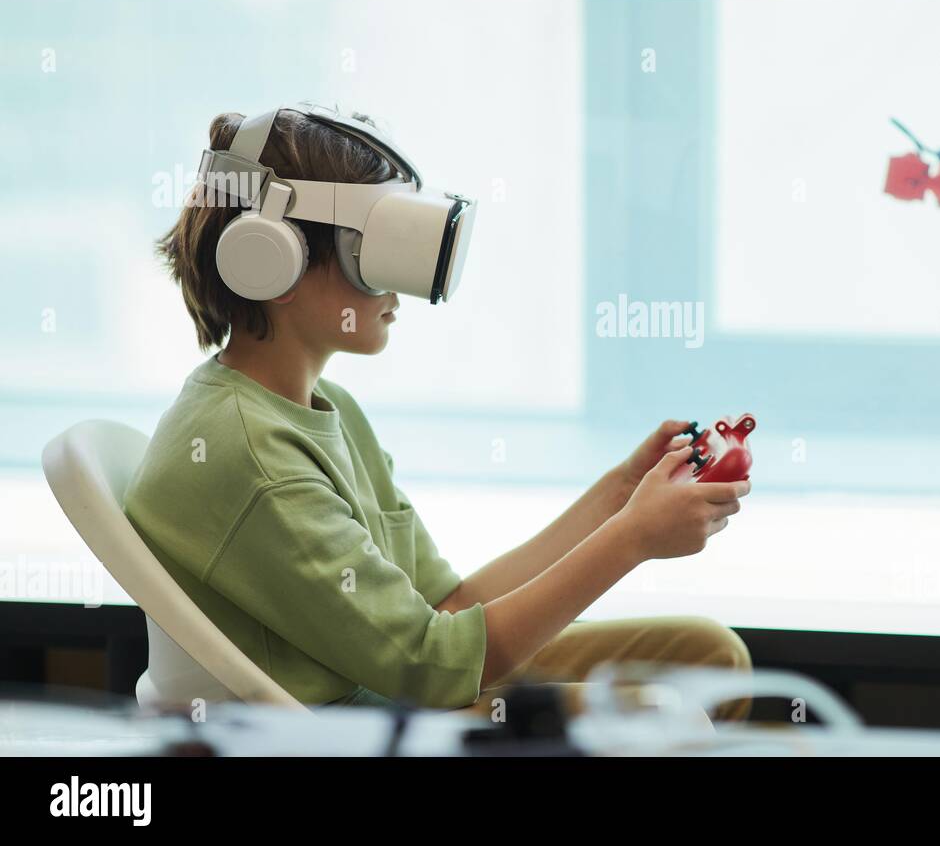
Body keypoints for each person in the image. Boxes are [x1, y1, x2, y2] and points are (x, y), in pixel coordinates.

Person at [123, 108, 753, 721]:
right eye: (368, 253)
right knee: (655, 716)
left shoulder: (326, 409)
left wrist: (620, 495)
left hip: (407, 688)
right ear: (271, 257)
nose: (400, 288)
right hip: (361, 728)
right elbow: (430, 668)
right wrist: (634, 540)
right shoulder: (252, 456)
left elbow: (449, 605)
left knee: (709, 655)